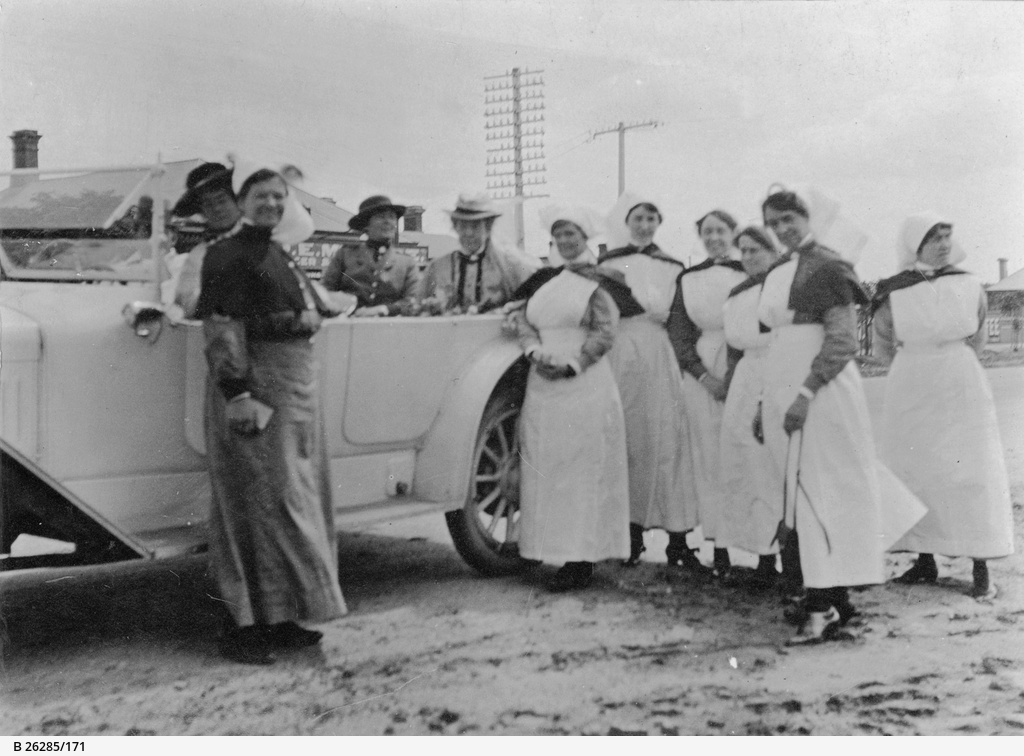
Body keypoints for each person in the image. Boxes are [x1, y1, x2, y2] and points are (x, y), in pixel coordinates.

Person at [194, 164, 347, 664]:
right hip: (257, 388)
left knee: (287, 501)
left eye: (280, 197)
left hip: (293, 390)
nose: (273, 205)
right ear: (242, 200)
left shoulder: (274, 249)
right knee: (251, 503)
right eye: (262, 197)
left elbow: (310, 307)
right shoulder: (226, 253)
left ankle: (281, 617)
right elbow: (222, 325)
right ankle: (240, 628)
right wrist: (237, 392)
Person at [757, 187, 923, 645]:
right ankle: (833, 598)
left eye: (790, 218)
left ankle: (823, 605)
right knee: (798, 492)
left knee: (820, 492)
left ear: (809, 217)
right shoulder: (780, 268)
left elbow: (842, 340)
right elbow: (775, 341)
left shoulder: (828, 266)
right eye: (774, 223)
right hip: (784, 385)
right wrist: (766, 401)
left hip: (822, 391)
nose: (782, 229)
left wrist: (805, 394)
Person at [873, 212, 1014, 598]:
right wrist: (916, 367)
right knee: (916, 468)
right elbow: (883, 341)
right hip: (912, 385)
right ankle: (924, 560)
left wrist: (950, 362)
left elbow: (979, 334)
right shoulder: (894, 290)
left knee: (969, 469)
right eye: (934, 237)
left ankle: (980, 565)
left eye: (947, 236)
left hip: (959, 381)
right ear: (915, 245)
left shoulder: (969, 284)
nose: (942, 243)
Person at [510, 208, 632, 591]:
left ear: (586, 238)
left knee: (581, 470)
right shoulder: (545, 280)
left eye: (572, 234)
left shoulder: (599, 281)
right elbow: (525, 321)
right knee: (547, 464)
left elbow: (605, 330)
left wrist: (574, 364)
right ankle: (546, 548)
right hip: (543, 381)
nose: (565, 241)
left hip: (583, 382)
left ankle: (581, 559)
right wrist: (533, 352)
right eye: (559, 234)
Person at [599, 195, 696, 571]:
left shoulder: (672, 265)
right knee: (625, 438)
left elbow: (677, 315)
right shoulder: (607, 264)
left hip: (657, 351)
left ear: (659, 222)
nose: (644, 224)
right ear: (626, 222)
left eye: (651, 218)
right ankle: (629, 535)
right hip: (620, 351)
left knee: (665, 437)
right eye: (638, 218)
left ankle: (677, 537)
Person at [667, 210, 747, 578]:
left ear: (733, 233)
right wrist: (703, 376)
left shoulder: (750, 273)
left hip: (744, 367)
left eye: (722, 230)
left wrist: (732, 376)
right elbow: (680, 335)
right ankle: (720, 547)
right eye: (708, 231)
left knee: (746, 458)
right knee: (707, 459)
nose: (715, 237)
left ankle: (764, 553)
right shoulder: (689, 279)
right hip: (701, 371)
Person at [715, 225, 783, 588]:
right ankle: (763, 556)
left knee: (773, 466)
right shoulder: (737, 293)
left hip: (777, 369)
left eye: (757, 249)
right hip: (744, 377)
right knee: (746, 466)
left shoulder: (783, 286)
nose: (750, 256)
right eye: (743, 250)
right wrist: (731, 387)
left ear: (773, 251)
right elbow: (733, 347)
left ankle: (791, 559)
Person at [415, 192, 537, 314]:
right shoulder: (438, 267)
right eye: (463, 226)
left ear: (488, 227)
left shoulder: (509, 265)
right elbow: (418, 305)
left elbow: (530, 302)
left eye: (475, 226)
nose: (469, 233)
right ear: (455, 227)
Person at [321, 195, 421, 316]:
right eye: (381, 217)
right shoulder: (345, 255)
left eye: (392, 217)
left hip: (391, 329)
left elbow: (413, 300)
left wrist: (385, 309)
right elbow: (324, 292)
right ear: (366, 224)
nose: (388, 222)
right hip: (349, 326)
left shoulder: (406, 262)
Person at [167, 162, 244, 318]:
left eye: (221, 200)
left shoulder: (263, 241)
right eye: (208, 204)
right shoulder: (199, 255)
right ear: (201, 212)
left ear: (238, 201)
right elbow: (185, 304)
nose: (216, 208)